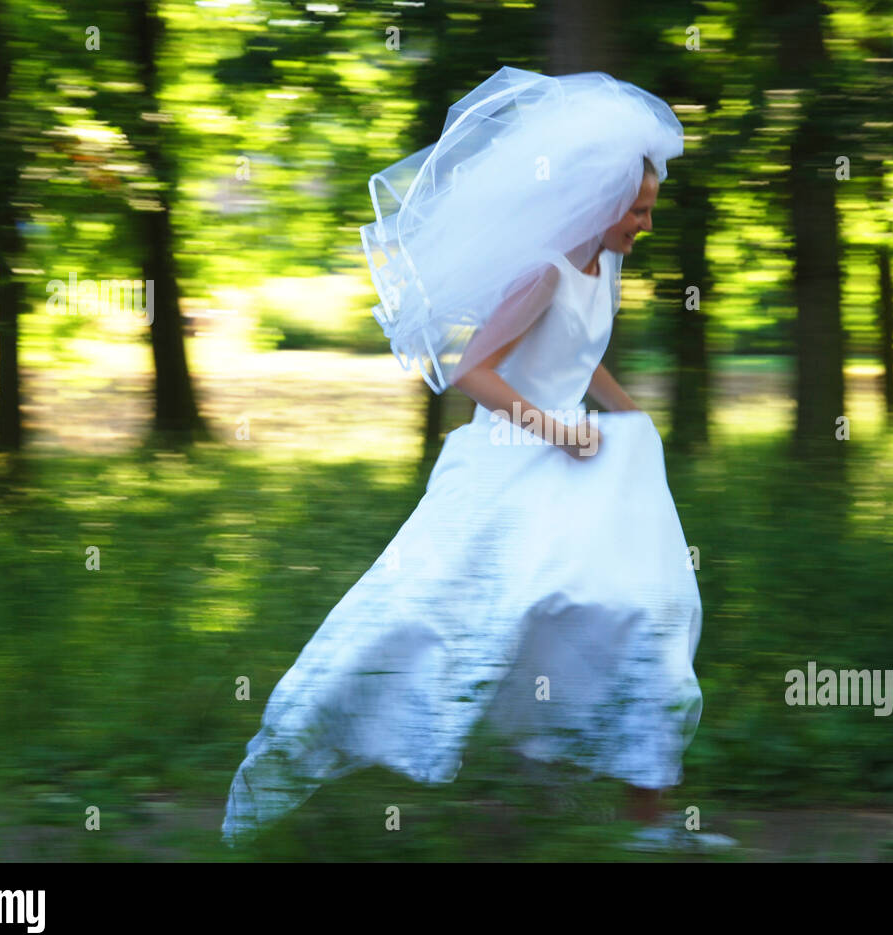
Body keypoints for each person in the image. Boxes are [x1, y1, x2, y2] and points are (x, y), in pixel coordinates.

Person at [222, 67, 735, 853]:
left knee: (652, 613)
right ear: (599, 201)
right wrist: (555, 428)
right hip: (509, 463)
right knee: (419, 619)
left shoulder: (606, 265)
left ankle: (648, 824)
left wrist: (623, 410)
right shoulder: (544, 269)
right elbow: (473, 371)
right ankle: (296, 753)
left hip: (585, 465)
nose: (644, 224)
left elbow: (578, 351)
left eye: (649, 210)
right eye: (635, 210)